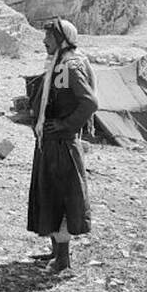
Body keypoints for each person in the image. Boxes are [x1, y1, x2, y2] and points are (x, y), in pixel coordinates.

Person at [27, 18, 98, 274]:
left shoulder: (68, 65)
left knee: (59, 197)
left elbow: (89, 102)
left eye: (49, 37)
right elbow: (61, 98)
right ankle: (56, 251)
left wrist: (66, 125)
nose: (44, 41)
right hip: (52, 143)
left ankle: (63, 260)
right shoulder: (62, 63)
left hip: (60, 145)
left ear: (62, 39)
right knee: (50, 194)